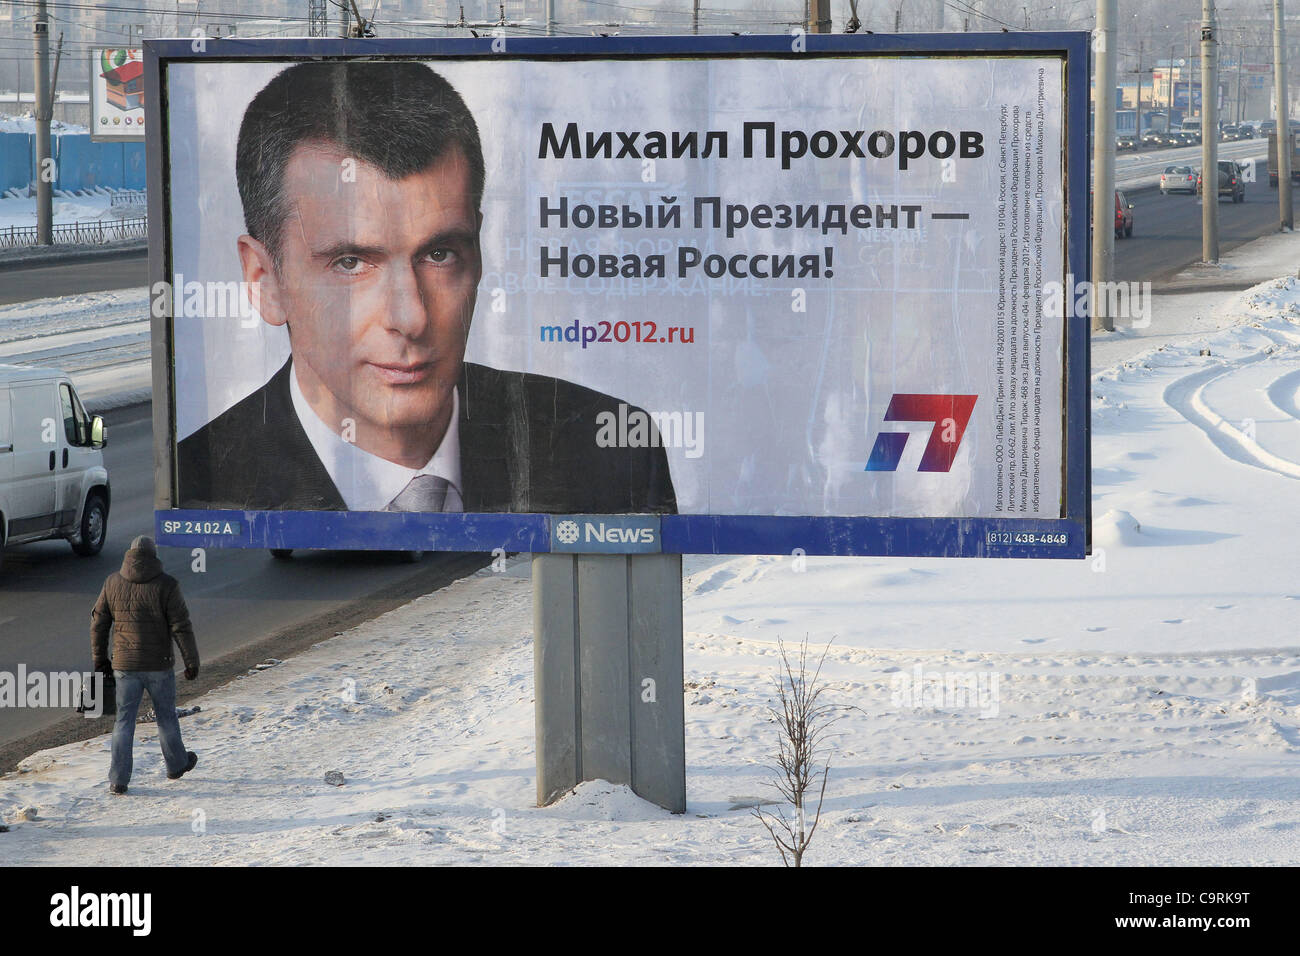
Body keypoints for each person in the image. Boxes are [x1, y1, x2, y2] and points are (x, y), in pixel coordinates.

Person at [177, 61, 677, 516]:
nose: (411, 317)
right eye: (352, 263)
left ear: (478, 254)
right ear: (265, 281)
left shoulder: (608, 450)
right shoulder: (198, 484)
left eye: (439, 255)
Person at [91, 535, 200, 795]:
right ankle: (176, 765)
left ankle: (118, 780)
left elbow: (98, 623)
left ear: (129, 555)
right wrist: (191, 660)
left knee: (124, 720)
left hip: (125, 666)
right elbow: (181, 626)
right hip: (159, 665)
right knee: (166, 716)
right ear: (154, 556)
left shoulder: (112, 582)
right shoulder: (167, 585)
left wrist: (100, 659)